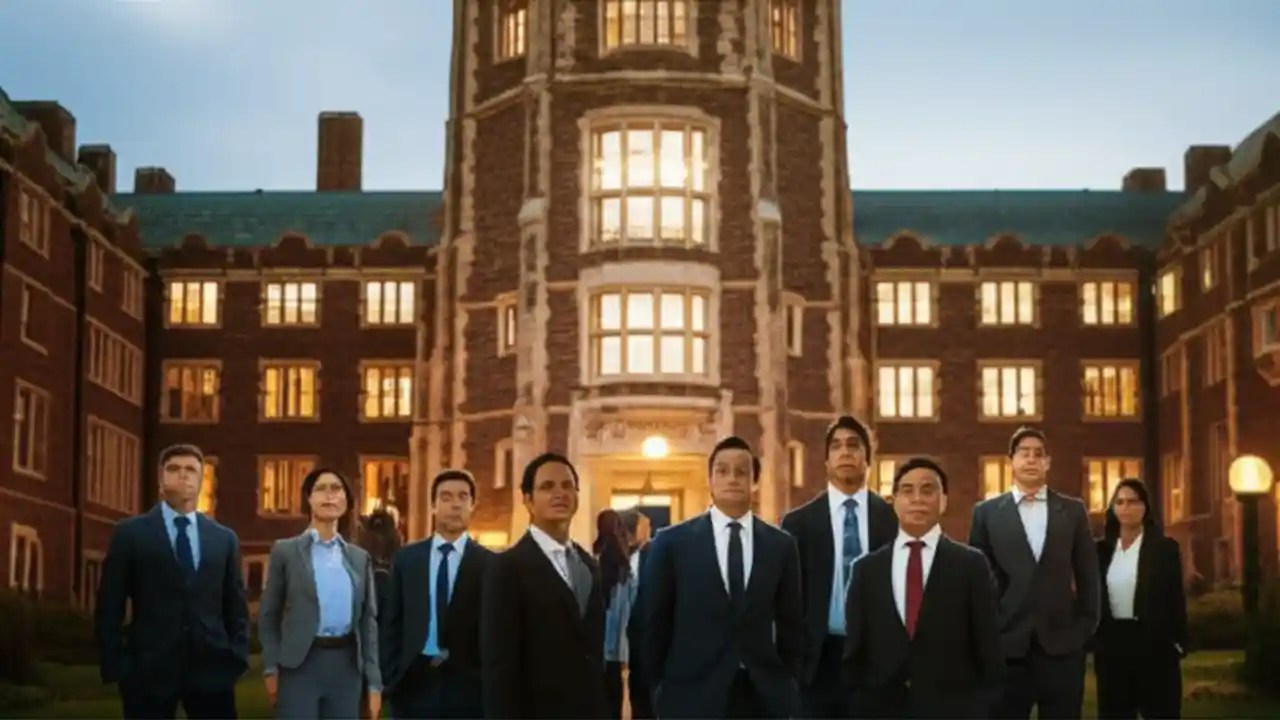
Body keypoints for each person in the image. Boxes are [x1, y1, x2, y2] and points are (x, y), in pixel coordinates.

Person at [642, 436, 804, 719]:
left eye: (741, 472)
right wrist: (660, 690)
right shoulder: (672, 543)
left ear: (754, 481)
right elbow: (654, 623)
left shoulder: (781, 545)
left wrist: (786, 684)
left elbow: (791, 624)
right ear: (710, 479)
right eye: (722, 470)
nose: (732, 479)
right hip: (691, 696)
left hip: (762, 697)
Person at [95, 444, 250, 719]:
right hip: (147, 670)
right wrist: (117, 665)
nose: (183, 475)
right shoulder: (130, 534)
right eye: (174, 469)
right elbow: (109, 604)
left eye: (191, 470)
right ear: (160, 477)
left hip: (212, 670)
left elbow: (235, 605)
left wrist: (237, 656)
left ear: (202, 480)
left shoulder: (224, 539)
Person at [843, 457, 1004, 718]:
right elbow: (855, 653)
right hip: (880, 709)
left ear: (943, 501)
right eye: (907, 491)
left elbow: (989, 649)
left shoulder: (971, 565)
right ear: (894, 500)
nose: (917, 498)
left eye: (927, 490)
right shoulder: (866, 570)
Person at [969, 427, 1100, 719]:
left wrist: (1082, 630)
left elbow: (1088, 576)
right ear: (1011, 461)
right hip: (1007, 649)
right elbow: (978, 584)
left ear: (1047, 462)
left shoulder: (1073, 511)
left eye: (1038, 454)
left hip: (1062, 649)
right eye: (1024, 453)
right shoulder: (986, 514)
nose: (1031, 459)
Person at [781, 415, 898, 717]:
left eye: (853, 445)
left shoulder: (893, 520)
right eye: (836, 446)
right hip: (817, 664)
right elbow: (786, 601)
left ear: (867, 458)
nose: (845, 452)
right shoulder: (798, 524)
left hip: (876, 663)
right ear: (826, 461)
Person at [481, 452, 608, 718]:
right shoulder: (507, 567)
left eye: (567, 486)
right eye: (547, 487)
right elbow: (499, 665)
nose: (560, 494)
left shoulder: (588, 565)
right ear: (528, 500)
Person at [258, 468, 382, 719]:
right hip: (300, 666)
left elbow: (368, 624)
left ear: (346, 501)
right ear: (309, 498)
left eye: (336, 489)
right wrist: (271, 667)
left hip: (346, 668)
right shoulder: (286, 551)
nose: (329, 495)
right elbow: (268, 615)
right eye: (321, 489)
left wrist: (374, 682)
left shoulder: (359, 558)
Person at [381, 469, 494, 719]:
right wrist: (392, 676)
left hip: (468, 690)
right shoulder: (407, 559)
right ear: (433, 506)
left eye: (463, 497)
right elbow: (391, 624)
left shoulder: (491, 565)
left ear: (472, 505)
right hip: (414, 685)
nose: (455, 505)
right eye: (446, 497)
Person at [1093, 479, 1188, 719]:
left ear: (1145, 507)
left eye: (1133, 501)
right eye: (1120, 502)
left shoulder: (1164, 549)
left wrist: (1178, 641)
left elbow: (1175, 597)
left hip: (1153, 642)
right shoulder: (1101, 551)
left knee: (1159, 711)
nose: (1126, 507)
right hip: (1113, 644)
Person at [595, 509, 637, 719]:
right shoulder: (622, 557)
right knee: (615, 687)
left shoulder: (601, 555)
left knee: (603, 688)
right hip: (617, 631)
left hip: (603, 630)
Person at [622, 508, 656, 720]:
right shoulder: (639, 555)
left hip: (642, 631)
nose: (649, 530)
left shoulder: (647, 553)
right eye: (645, 526)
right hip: (639, 630)